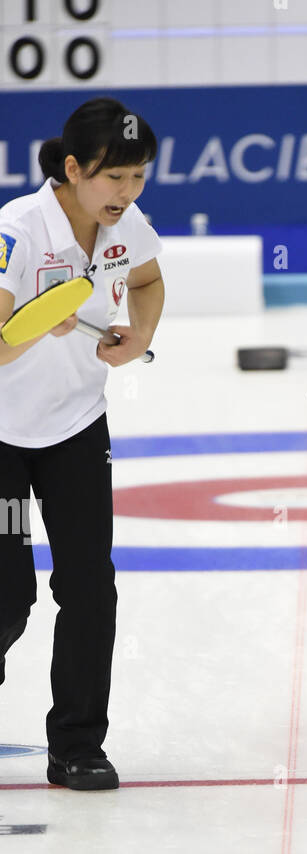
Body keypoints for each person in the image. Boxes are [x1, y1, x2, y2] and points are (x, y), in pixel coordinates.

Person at [0, 97, 163, 790]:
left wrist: (142, 336)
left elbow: (149, 280)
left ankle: (75, 745)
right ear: (72, 168)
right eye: (112, 178)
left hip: (74, 429)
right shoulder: (15, 229)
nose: (125, 194)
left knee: (91, 587)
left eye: (138, 177)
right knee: (7, 598)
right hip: (2, 436)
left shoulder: (127, 229)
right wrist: (42, 321)